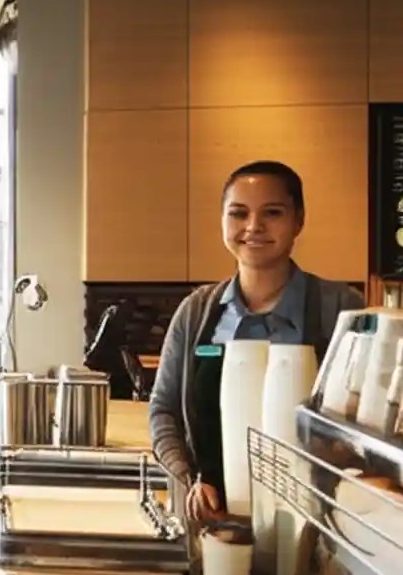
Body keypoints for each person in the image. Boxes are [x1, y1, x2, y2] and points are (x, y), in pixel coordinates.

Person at [148, 160, 364, 522]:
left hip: (313, 525)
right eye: (238, 213)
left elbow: (361, 425)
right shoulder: (197, 312)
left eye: (272, 213)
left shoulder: (341, 309)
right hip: (212, 522)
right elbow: (164, 410)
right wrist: (189, 480)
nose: (253, 227)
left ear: (299, 220)